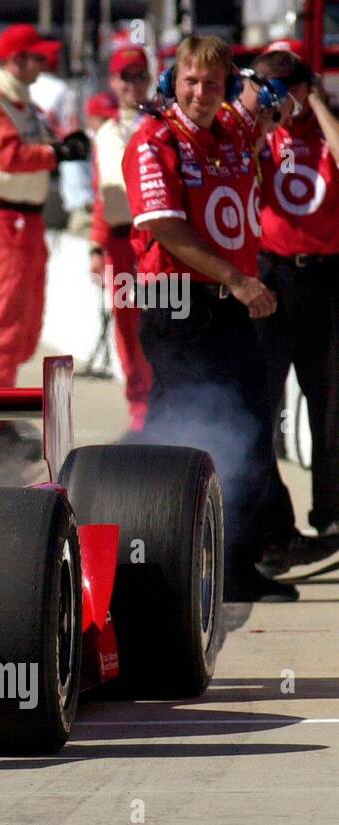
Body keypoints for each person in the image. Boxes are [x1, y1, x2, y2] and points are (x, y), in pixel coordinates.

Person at [121, 35, 298, 602]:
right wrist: (240, 280)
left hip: (227, 305)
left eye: (213, 84)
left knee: (246, 427)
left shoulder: (234, 133)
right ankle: (152, 553)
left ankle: (235, 564)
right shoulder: (154, 141)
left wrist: (278, 88)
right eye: (191, 81)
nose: (201, 93)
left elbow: (272, 103)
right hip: (178, 301)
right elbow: (166, 229)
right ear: (175, 81)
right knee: (187, 431)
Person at [0, 25, 91, 401]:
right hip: (2, 220)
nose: (45, 62)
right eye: (38, 56)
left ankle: (1, 405)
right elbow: (8, 155)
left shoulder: (24, 104)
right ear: (17, 60)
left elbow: (33, 146)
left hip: (26, 219)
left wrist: (62, 145)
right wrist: (57, 154)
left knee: (28, 326)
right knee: (6, 323)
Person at [252, 50, 339, 556]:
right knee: (263, 401)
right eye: (271, 86)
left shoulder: (323, 129)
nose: (283, 95)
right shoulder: (263, 130)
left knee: (329, 403)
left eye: (291, 85)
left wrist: (319, 104)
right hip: (271, 274)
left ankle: (330, 514)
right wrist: (268, 114)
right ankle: (271, 518)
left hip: (325, 276)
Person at [89, 46, 154, 432]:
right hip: (119, 243)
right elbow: (102, 194)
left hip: (157, 241)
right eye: (124, 77)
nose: (132, 84)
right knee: (128, 328)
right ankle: (140, 412)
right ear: (113, 82)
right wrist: (97, 246)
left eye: (138, 76)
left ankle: (164, 404)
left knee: (164, 318)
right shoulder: (107, 133)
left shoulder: (161, 124)